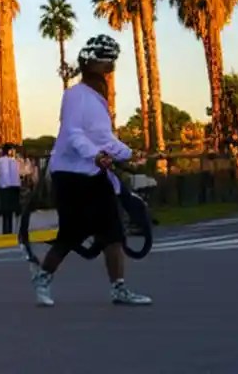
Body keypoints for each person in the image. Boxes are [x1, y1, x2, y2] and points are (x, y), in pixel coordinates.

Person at [30, 34, 151, 307]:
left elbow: (104, 138)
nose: (110, 71)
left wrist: (131, 154)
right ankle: (43, 278)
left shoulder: (98, 100)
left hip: (95, 173)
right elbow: (73, 134)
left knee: (113, 230)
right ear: (93, 65)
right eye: (108, 64)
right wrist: (95, 155)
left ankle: (119, 289)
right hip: (70, 174)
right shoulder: (74, 95)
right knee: (71, 233)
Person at [0, 144, 21, 235]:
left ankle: (5, 231)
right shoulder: (14, 160)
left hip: (4, 186)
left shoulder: (1, 161)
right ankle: (9, 230)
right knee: (10, 211)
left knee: (5, 211)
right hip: (13, 186)